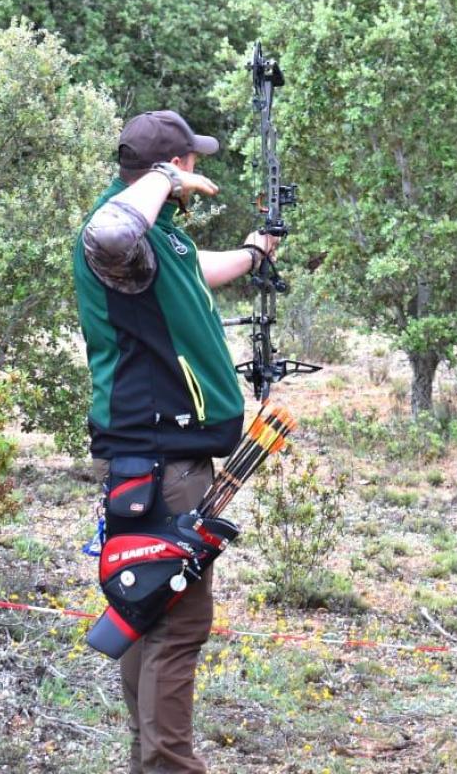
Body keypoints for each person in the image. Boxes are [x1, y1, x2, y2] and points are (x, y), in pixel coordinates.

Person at [73, 109, 276, 774]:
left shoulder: (158, 240)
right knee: (176, 624)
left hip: (163, 459)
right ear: (172, 166)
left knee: (147, 608)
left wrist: (254, 254)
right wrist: (165, 177)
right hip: (165, 461)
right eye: (188, 159)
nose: (195, 168)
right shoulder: (120, 231)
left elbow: (195, 272)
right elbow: (106, 230)